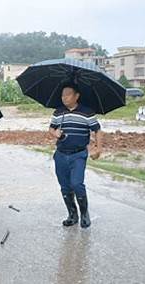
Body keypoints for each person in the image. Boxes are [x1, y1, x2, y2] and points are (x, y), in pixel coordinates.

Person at [49, 84, 102, 228]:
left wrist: (98, 148)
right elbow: (51, 128)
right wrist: (55, 133)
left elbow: (97, 130)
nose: (64, 98)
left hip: (78, 155)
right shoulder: (58, 112)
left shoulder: (87, 113)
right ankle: (72, 214)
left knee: (77, 184)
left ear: (76, 96)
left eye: (67, 95)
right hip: (60, 155)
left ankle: (84, 213)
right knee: (65, 187)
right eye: (62, 95)